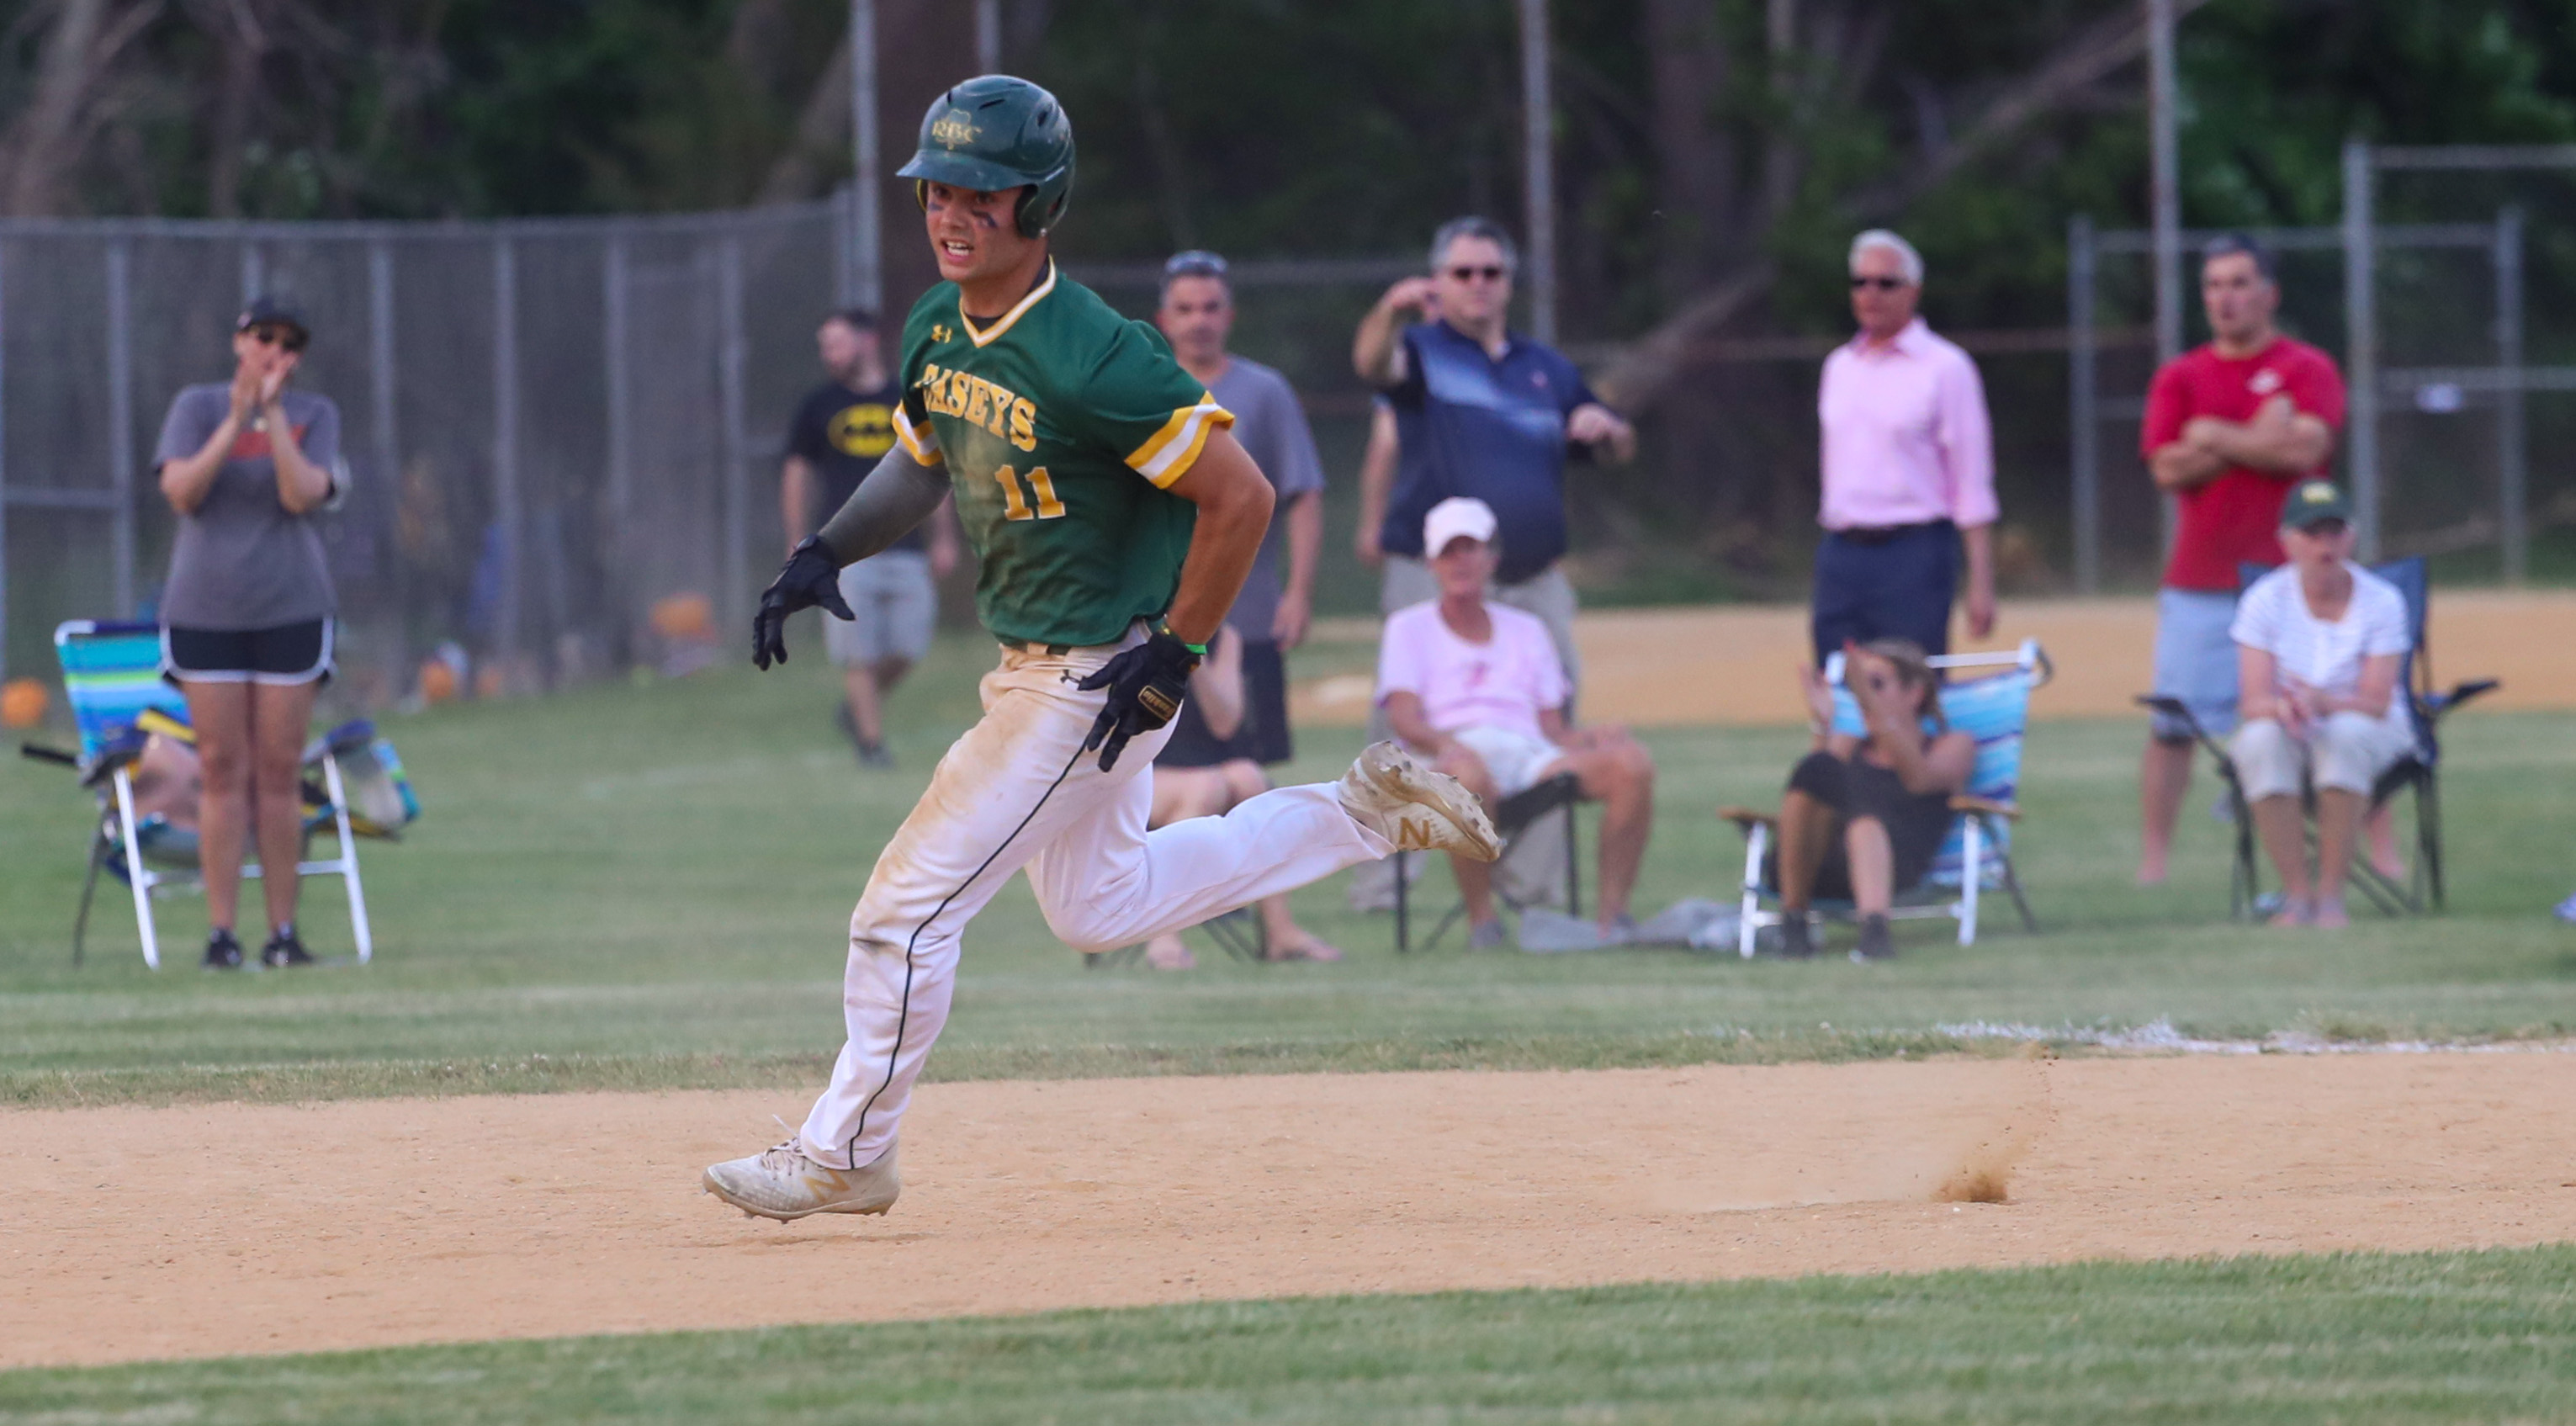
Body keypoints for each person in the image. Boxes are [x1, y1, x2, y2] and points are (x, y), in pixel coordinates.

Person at [703, 76, 1498, 1222]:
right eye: (937, 186)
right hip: (1038, 663)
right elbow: (925, 456)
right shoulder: (935, 322)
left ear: (1039, 200)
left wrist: (1174, 651)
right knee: (1098, 905)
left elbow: (1243, 498)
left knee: (903, 908)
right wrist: (827, 547)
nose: (948, 207)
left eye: (980, 190)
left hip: (1095, 672)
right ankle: (1362, 812)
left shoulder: (1098, 352)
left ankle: (845, 1149)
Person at [2137, 233, 2346, 885]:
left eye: (2238, 282)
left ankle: (2354, 854)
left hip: (2292, 584)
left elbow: (2302, 452)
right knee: (2174, 724)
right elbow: (2167, 467)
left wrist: (2214, 436)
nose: (2224, 298)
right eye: (2213, 285)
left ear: (2269, 293)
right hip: (2200, 582)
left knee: (2319, 718)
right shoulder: (2181, 376)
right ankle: (2155, 861)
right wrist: (2259, 433)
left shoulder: (2308, 367)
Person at [1352, 215, 1635, 689]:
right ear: (1438, 281)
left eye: (1492, 272)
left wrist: (1610, 430)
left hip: (1532, 581)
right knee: (1419, 735)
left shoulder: (1545, 367)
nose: (1478, 283)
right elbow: (1373, 363)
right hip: (1434, 580)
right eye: (1463, 273)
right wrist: (1389, 313)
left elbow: (1617, 449)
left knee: (1548, 723)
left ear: (1508, 282)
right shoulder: (1421, 352)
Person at [151, 295, 343, 970]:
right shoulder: (197, 408)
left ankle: (283, 935)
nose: (275, 353)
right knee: (221, 768)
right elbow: (182, 492)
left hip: (290, 609)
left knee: (279, 770)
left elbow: (300, 495)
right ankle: (222, 934)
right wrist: (237, 418)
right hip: (206, 612)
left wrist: (275, 412)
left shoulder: (315, 414)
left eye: (290, 345)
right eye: (265, 338)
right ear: (239, 341)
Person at [1376, 497, 1657, 947]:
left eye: (1471, 549)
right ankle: (1483, 921)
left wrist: (1591, 738)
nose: (1461, 561)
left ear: (1493, 559)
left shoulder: (1527, 629)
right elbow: (1404, 719)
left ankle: (1612, 919)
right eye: (1450, 551)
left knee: (1631, 763)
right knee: (1465, 776)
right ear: (1431, 563)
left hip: (1528, 755)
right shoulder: (1408, 628)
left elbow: (1552, 731)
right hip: (1446, 754)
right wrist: (1449, 744)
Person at [1153, 249, 1323, 762]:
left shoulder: (1264, 391)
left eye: (1210, 307)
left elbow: (1303, 491)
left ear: (1229, 316)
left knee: (1250, 770)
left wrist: (1297, 593)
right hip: (1160, 616)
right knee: (1162, 773)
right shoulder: (1143, 391)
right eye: (1185, 309)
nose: (1198, 320)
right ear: (1163, 319)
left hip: (1247, 615)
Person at [2229, 481, 2413, 930]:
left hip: (2370, 725)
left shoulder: (2382, 601)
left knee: (2344, 735)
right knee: (2259, 742)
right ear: (2287, 540)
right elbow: (2253, 700)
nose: (2324, 546)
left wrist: (2322, 702)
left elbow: (2375, 700)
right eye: (2311, 534)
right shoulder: (2264, 601)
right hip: (2294, 723)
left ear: (2351, 537)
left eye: (2334, 532)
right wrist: (2285, 708)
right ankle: (2297, 895)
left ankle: (2331, 895)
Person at [781, 309, 960, 766]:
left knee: (907, 648)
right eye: (825, 346)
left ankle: (859, 709)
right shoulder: (818, 405)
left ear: (868, 341)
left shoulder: (907, 399)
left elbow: (935, 471)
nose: (829, 354)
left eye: (837, 343)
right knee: (858, 652)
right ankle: (871, 745)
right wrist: (796, 536)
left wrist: (944, 538)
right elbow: (796, 472)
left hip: (906, 546)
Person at [1812, 230, 1998, 664]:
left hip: (1913, 553)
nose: (1871, 293)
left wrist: (1981, 582)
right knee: (1840, 686)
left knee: (1911, 688)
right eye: (1861, 282)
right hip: (1842, 551)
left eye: (1886, 283)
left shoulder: (1945, 368)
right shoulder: (1839, 368)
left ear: (1913, 291)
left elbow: (1971, 480)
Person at [1137, 626, 1347, 969]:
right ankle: (1162, 935)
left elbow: (1224, 722)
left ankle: (1281, 932)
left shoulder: (1224, 636)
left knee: (1248, 776)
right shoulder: (1136, 632)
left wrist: (1191, 656)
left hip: (1207, 769)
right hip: (1141, 774)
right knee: (1207, 787)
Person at [1770, 638, 1976, 963]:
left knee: (1865, 822)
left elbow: (1919, 779)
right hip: (1823, 866)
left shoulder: (1952, 746)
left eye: (1877, 683)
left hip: (1896, 868)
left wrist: (1873, 709)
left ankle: (1875, 934)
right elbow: (1811, 791)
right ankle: (1793, 925)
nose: (1864, 694)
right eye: (1860, 686)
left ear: (1915, 693)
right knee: (1820, 769)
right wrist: (1823, 725)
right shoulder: (1849, 743)